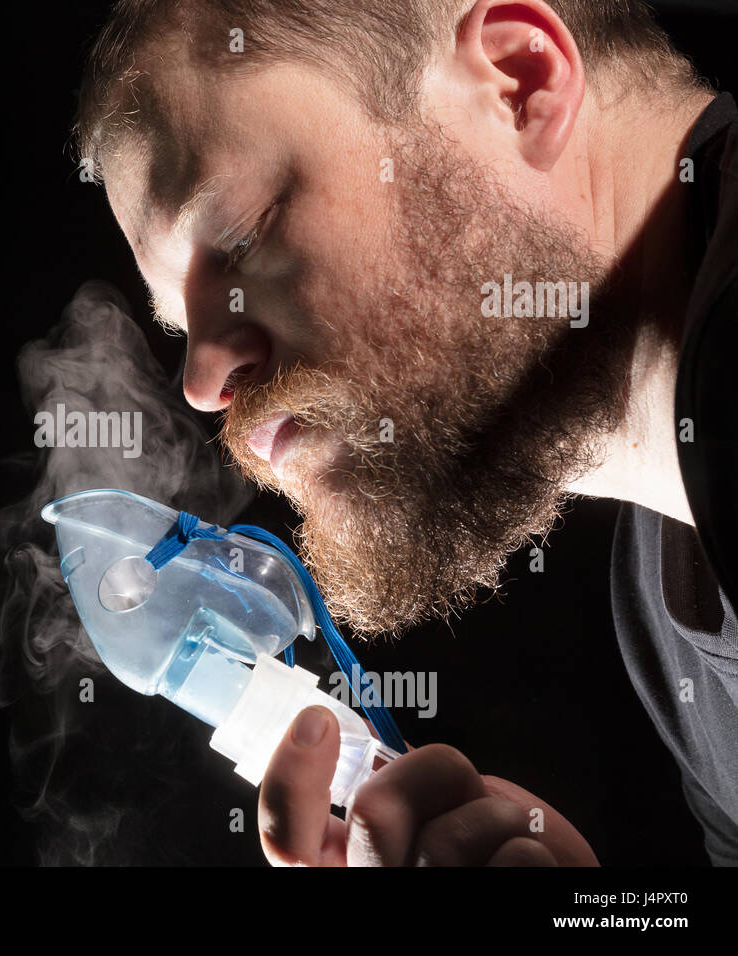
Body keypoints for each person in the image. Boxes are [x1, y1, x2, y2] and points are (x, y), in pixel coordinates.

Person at [72, 0, 737, 865]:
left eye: (241, 233)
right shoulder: (663, 598)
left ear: (520, 84)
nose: (203, 385)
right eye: (179, 325)